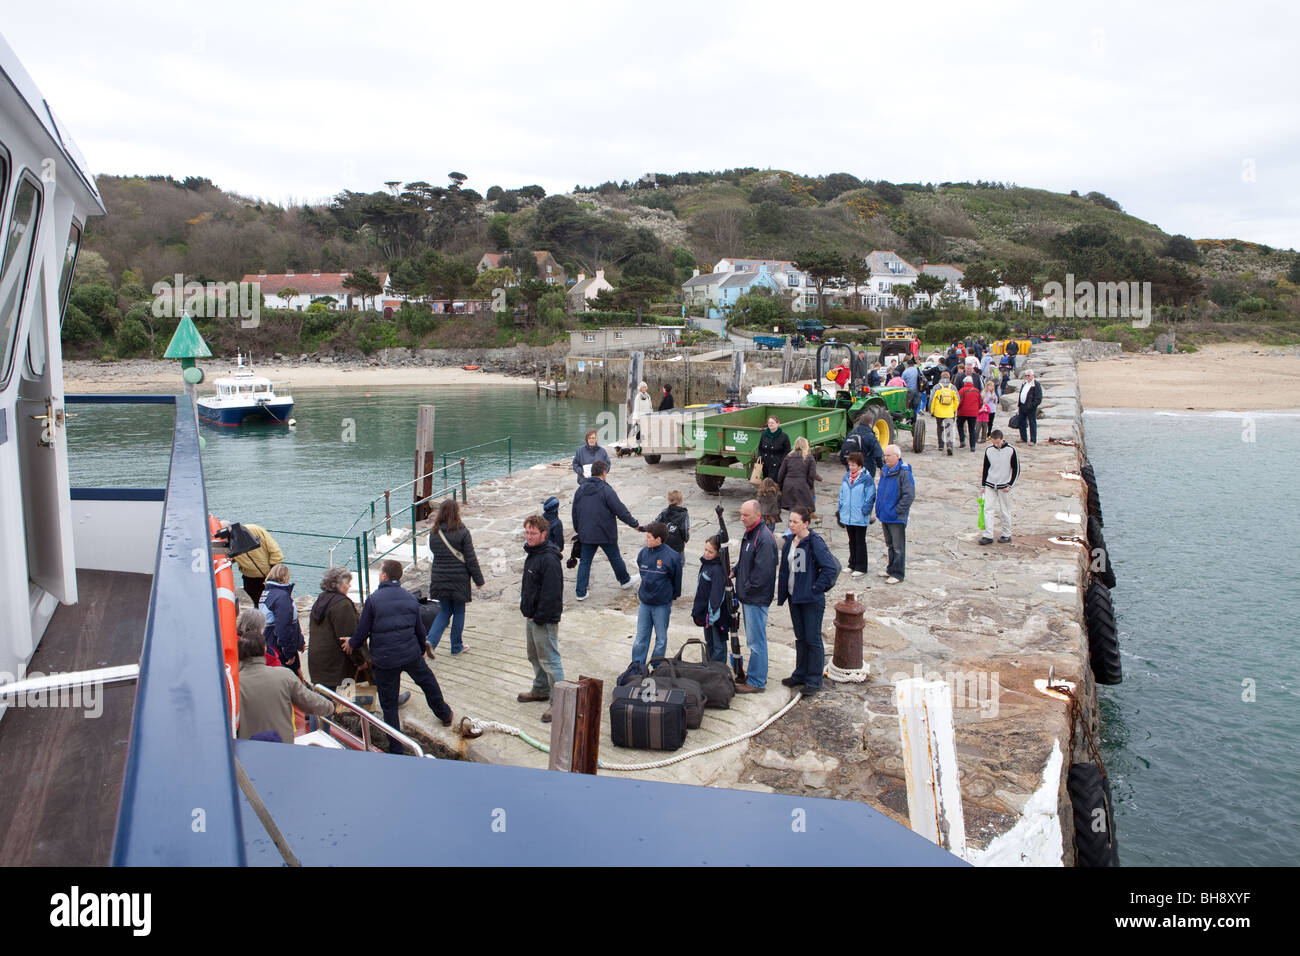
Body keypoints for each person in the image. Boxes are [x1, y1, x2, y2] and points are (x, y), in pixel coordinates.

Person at [347, 560, 453, 752]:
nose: (379, 574)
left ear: (385, 576)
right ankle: (444, 714)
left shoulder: (373, 600)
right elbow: (419, 629)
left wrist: (351, 644)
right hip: (410, 653)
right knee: (428, 682)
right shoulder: (409, 598)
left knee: (388, 705)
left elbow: (362, 631)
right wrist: (422, 649)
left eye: (380, 571)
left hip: (385, 659)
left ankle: (396, 749)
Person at [237, 608, 334, 743]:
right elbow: (308, 700)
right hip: (282, 745)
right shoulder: (284, 675)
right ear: (264, 649)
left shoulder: (233, 683)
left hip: (248, 748)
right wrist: (330, 706)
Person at [777, 506, 839, 696]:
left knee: (813, 639)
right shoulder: (790, 542)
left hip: (810, 600)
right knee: (801, 637)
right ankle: (800, 673)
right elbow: (792, 568)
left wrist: (815, 588)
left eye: (795, 522)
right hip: (794, 597)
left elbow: (830, 569)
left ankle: (814, 679)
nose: (792, 524)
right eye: (790, 521)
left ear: (806, 523)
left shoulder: (814, 542)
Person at [571, 459, 641, 600]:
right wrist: (634, 524)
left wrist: (579, 530)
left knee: (585, 562)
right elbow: (620, 511)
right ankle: (625, 581)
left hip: (586, 533)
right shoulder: (606, 490)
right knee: (615, 558)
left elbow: (574, 512)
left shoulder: (580, 490)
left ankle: (580, 593)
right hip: (605, 533)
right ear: (603, 473)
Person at [518, 515, 565, 723]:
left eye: (533, 533)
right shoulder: (534, 553)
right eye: (527, 532)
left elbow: (552, 593)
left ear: (544, 534)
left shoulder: (548, 558)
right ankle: (541, 689)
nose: (529, 536)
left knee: (551, 661)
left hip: (542, 619)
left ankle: (560, 704)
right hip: (532, 616)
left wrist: (539, 617)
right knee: (534, 656)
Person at [426, 498, 485, 656]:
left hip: (439, 578)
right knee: (459, 612)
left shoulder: (434, 534)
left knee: (444, 611)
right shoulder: (463, 532)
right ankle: (456, 646)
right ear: (456, 512)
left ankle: (430, 641)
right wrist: (478, 580)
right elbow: (470, 559)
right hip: (459, 579)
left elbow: (435, 555)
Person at [733, 499, 778, 693]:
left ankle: (757, 681)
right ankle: (754, 675)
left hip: (755, 598)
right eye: (741, 514)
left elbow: (763, 573)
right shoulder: (751, 533)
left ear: (758, 515)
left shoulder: (764, 539)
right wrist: (735, 570)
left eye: (746, 515)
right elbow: (746, 559)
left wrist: (746, 588)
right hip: (749, 595)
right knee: (753, 638)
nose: (742, 518)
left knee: (756, 640)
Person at [631, 522, 683, 667]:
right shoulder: (643, 553)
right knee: (641, 638)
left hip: (662, 605)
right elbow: (642, 571)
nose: (646, 539)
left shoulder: (672, 557)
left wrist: (672, 596)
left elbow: (676, 579)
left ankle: (657, 666)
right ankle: (637, 666)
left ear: (658, 539)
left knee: (661, 639)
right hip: (645, 603)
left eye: (648, 537)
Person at [307, 566, 362, 692]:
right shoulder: (342, 605)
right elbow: (347, 638)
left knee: (324, 699)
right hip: (335, 664)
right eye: (347, 583)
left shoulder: (321, 599)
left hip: (318, 662)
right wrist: (360, 660)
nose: (349, 586)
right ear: (339, 585)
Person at [875, 445, 915, 584]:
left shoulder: (904, 473)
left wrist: (897, 511)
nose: (885, 458)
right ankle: (890, 569)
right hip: (885, 514)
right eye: (884, 455)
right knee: (890, 544)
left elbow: (909, 495)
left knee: (898, 547)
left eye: (888, 455)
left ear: (897, 456)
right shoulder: (885, 470)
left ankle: (898, 573)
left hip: (895, 517)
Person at [691, 535, 733, 664]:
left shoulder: (718, 570)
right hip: (707, 614)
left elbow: (717, 595)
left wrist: (712, 615)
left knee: (718, 644)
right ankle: (709, 667)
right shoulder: (706, 564)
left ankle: (718, 670)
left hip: (716, 616)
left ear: (718, 553)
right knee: (709, 641)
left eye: (711, 552)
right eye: (706, 550)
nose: (707, 554)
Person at [222, 520, 283, 606]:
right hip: (250, 578)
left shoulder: (254, 530)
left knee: (276, 601)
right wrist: (228, 559)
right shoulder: (228, 542)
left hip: (271, 573)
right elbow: (232, 558)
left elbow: (274, 550)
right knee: (258, 603)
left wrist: (274, 569)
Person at [259, 564, 304, 676]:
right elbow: (284, 627)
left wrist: (300, 641)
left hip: (269, 645)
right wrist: (289, 653)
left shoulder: (266, 594)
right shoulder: (282, 597)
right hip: (279, 650)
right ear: (286, 577)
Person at [837, 451, 876, 577]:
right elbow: (842, 494)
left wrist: (865, 511)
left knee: (860, 541)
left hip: (859, 515)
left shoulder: (866, 479)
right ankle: (851, 564)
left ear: (860, 465)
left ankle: (861, 566)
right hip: (848, 514)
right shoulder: (846, 477)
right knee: (851, 540)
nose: (851, 467)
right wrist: (841, 507)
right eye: (850, 464)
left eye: (853, 465)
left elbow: (870, 496)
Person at [979, 430, 1020, 545]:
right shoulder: (989, 450)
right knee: (988, 509)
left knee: (1004, 510)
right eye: (994, 443)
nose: (996, 445)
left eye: (998, 442)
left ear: (1002, 439)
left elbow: (1016, 469)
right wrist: (983, 485)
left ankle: (1006, 534)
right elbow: (985, 468)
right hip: (990, 484)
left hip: (1004, 485)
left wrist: (1010, 485)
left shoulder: (1011, 450)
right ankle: (988, 535)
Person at [778, 436, 819, 516]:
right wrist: (809, 486)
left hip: (789, 486)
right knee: (802, 513)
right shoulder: (809, 458)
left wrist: (782, 486)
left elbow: (780, 474)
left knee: (792, 512)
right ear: (806, 445)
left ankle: (791, 527)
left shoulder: (788, 456)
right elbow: (811, 475)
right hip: (802, 486)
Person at [929, 372, 960, 454]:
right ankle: (949, 445)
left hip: (939, 412)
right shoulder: (953, 387)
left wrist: (932, 411)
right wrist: (953, 409)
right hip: (949, 412)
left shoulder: (937, 387)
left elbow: (932, 400)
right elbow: (957, 400)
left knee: (940, 428)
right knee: (949, 429)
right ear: (949, 377)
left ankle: (941, 445)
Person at [653, 489, 690, 554]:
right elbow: (684, 529)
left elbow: (655, 523)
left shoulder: (664, 512)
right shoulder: (684, 514)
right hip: (677, 546)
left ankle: (660, 564)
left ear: (669, 500)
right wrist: (686, 539)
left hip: (664, 544)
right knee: (679, 562)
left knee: (662, 560)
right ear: (681, 501)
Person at [757, 415, 791, 480]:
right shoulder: (764, 434)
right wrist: (759, 457)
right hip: (765, 464)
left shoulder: (784, 436)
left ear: (778, 424)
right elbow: (760, 448)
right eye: (769, 423)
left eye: (772, 423)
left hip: (777, 465)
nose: (770, 424)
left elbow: (787, 451)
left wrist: (781, 462)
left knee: (775, 484)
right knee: (766, 482)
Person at [1017, 369, 1043, 445]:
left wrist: (1032, 406)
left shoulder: (1036, 384)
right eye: (1026, 375)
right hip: (1022, 406)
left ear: (1033, 375)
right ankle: (1023, 438)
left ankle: (1033, 440)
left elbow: (1038, 398)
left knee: (1032, 423)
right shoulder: (1024, 383)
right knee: (1021, 422)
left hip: (1030, 407)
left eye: (1029, 375)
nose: (1027, 377)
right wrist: (1019, 405)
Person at [957, 375, 981, 452]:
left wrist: (957, 409)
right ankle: (972, 446)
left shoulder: (962, 390)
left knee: (960, 426)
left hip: (963, 412)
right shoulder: (977, 391)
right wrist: (977, 409)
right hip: (973, 413)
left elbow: (959, 402)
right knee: (972, 429)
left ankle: (962, 441)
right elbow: (980, 402)